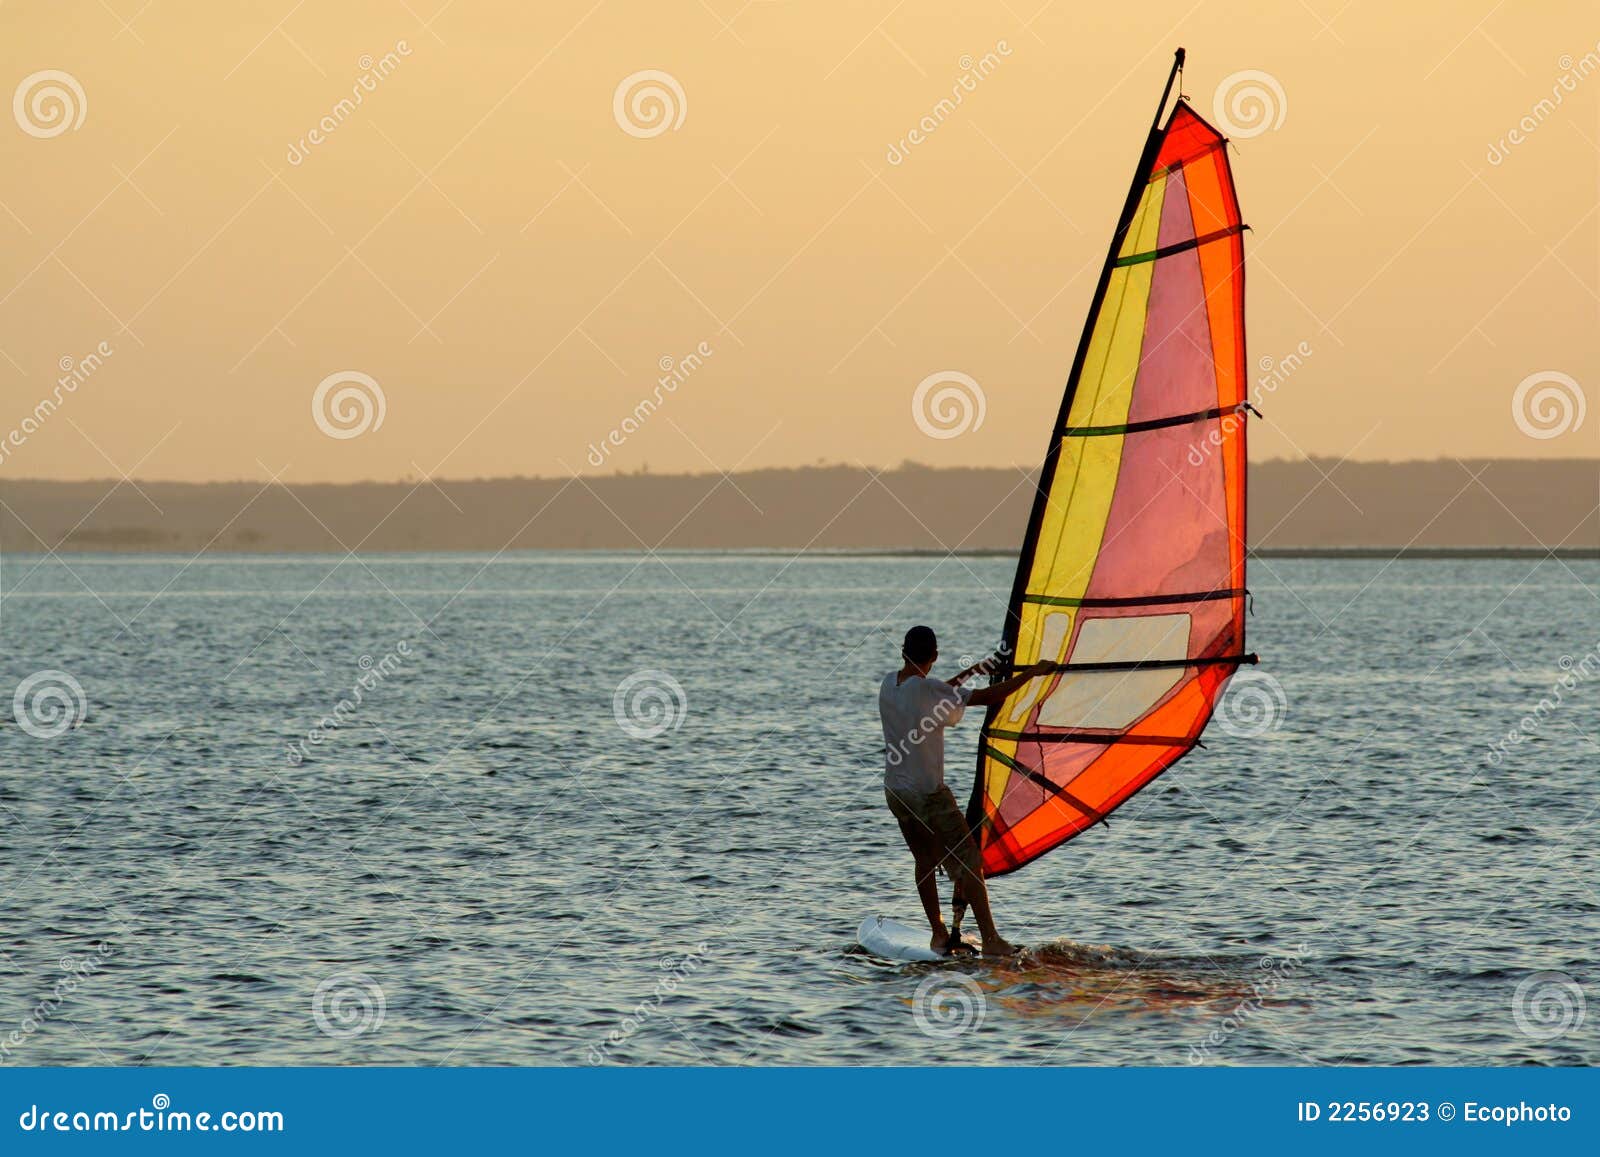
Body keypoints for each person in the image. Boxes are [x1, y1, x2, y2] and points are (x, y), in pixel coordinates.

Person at [878, 625, 1052, 955]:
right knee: (970, 861)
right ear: (935, 656)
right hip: (928, 795)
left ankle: (938, 933)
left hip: (896, 791)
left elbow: (939, 690)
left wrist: (976, 670)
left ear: (903, 652)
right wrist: (1033, 673)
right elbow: (987, 697)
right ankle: (991, 940)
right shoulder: (927, 690)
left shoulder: (890, 683)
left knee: (924, 860)